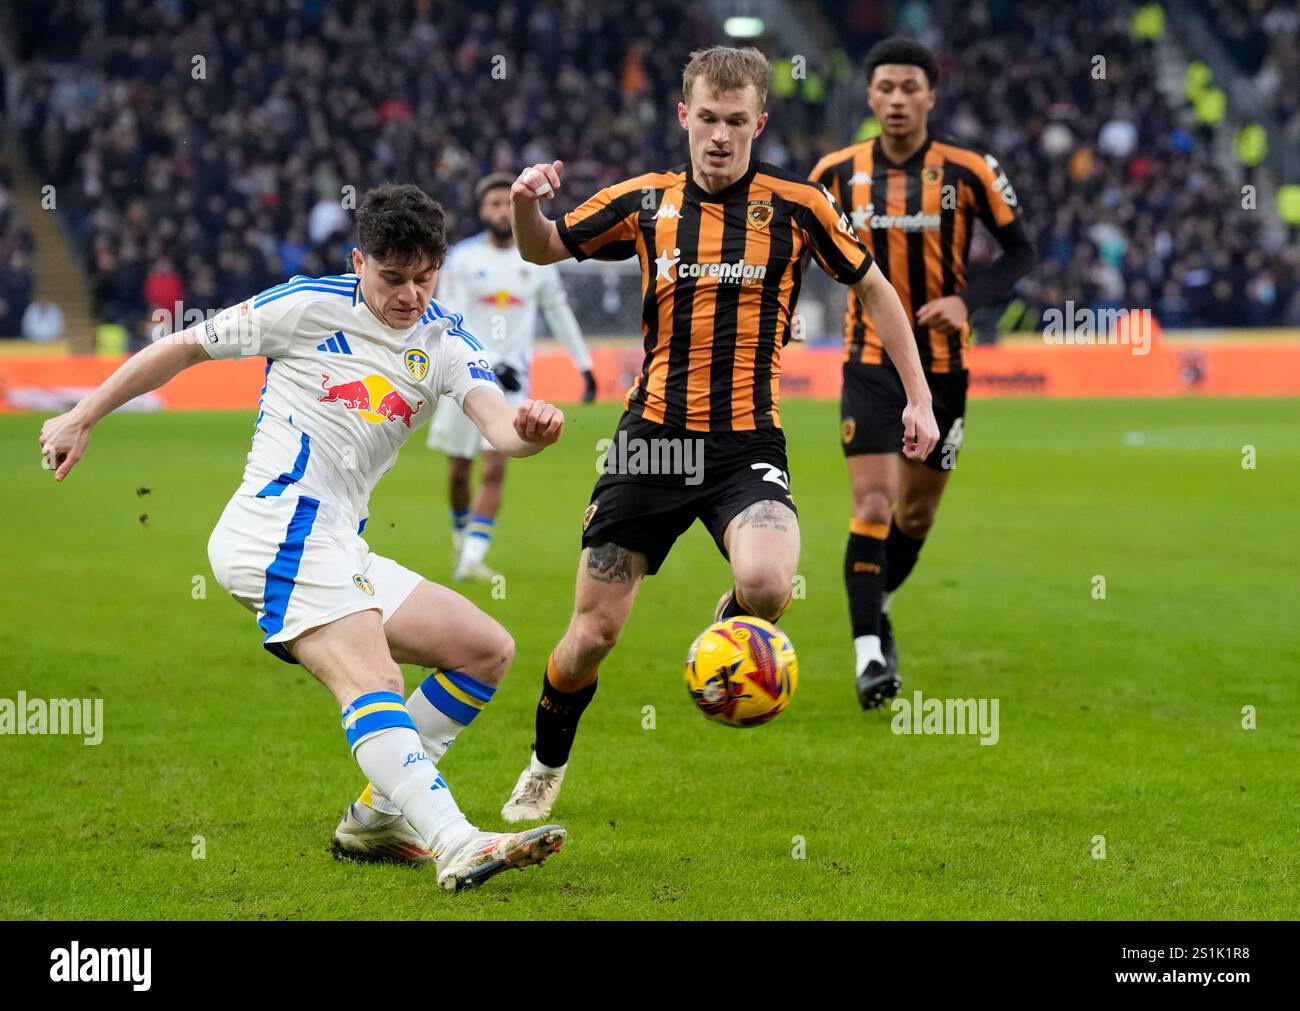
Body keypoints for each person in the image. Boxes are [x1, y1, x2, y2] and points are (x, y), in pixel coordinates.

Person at [38, 184, 569, 891]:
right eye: (392, 277)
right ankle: (455, 839)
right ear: (359, 261)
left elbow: (497, 423)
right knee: (374, 677)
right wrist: (84, 414)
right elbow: (185, 345)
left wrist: (527, 434)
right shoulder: (306, 305)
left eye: (424, 276)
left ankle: (377, 817)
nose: (410, 294)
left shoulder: (445, 342)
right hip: (275, 526)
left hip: (337, 541)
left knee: (483, 650)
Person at [499, 46, 939, 822]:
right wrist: (528, 202)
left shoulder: (799, 207)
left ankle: (724, 630)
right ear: (684, 116)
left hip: (745, 446)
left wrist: (918, 395)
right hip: (652, 442)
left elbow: (873, 284)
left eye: (737, 122)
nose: (720, 136)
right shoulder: (644, 201)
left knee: (768, 587)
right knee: (591, 635)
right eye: (707, 118)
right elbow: (539, 247)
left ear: (759, 123)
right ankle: (545, 760)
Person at [809, 37, 1036, 709]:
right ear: (871, 96)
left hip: (945, 369)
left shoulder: (968, 170)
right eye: (886, 88)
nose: (898, 99)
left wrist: (969, 299)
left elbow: (1019, 253)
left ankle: (871, 600)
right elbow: (793, 248)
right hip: (870, 360)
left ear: (931, 95)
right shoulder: (834, 171)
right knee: (873, 502)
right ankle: (868, 654)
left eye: (911, 87)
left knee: (917, 510)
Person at [427, 172, 596, 582]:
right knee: (458, 472)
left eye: (508, 204)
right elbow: (449, 317)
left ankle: (472, 557)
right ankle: (461, 538)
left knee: (494, 467)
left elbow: (558, 312)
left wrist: (585, 367)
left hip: (513, 381)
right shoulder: (463, 259)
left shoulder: (537, 259)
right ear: (483, 210)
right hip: (460, 375)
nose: (503, 212)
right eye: (495, 205)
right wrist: (480, 359)